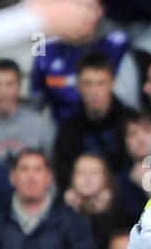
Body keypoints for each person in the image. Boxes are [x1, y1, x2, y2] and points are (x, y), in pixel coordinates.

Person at [29, 0, 130, 127]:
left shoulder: (116, 44)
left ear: (99, 11)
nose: (80, 13)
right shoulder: (45, 46)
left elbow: (127, 101)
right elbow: (36, 102)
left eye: (88, 6)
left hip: (110, 133)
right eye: (74, 5)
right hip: (61, 134)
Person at [52, 52, 134, 185]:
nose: (94, 90)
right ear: (78, 86)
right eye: (87, 83)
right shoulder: (68, 129)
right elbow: (64, 176)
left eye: (101, 83)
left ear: (112, 84)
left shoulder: (130, 122)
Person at [0, 59, 55, 166]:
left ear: (19, 86)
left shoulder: (42, 126)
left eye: (9, 84)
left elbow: (54, 173)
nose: (3, 91)